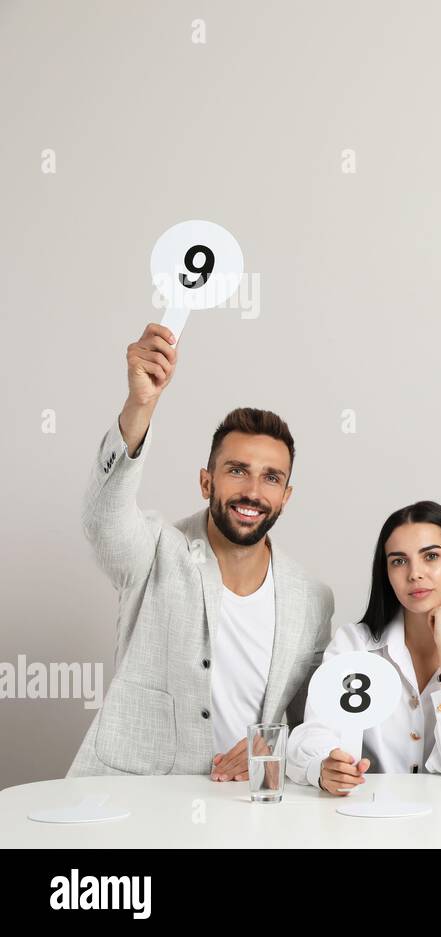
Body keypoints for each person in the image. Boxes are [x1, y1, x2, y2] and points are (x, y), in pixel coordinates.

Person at [69, 323, 333, 780]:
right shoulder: (154, 552)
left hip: (247, 811)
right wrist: (141, 405)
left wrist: (273, 751)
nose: (252, 491)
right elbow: (102, 520)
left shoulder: (312, 599)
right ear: (206, 481)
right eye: (236, 470)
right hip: (136, 806)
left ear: (286, 496)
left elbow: (312, 724)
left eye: (271, 478)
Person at [286, 501, 441, 791]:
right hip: (368, 820)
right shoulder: (354, 644)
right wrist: (322, 767)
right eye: (398, 561)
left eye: (431, 556)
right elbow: (313, 734)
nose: (414, 574)